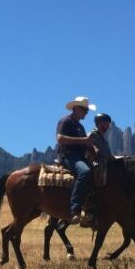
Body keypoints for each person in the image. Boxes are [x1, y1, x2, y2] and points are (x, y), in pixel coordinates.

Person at [56, 96, 96, 225]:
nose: (86, 112)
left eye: (87, 110)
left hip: (79, 157)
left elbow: (85, 144)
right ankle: (75, 210)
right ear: (76, 108)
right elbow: (60, 139)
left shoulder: (80, 127)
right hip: (68, 156)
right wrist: (84, 141)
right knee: (84, 172)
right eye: (85, 109)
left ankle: (91, 209)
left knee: (99, 170)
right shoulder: (65, 121)